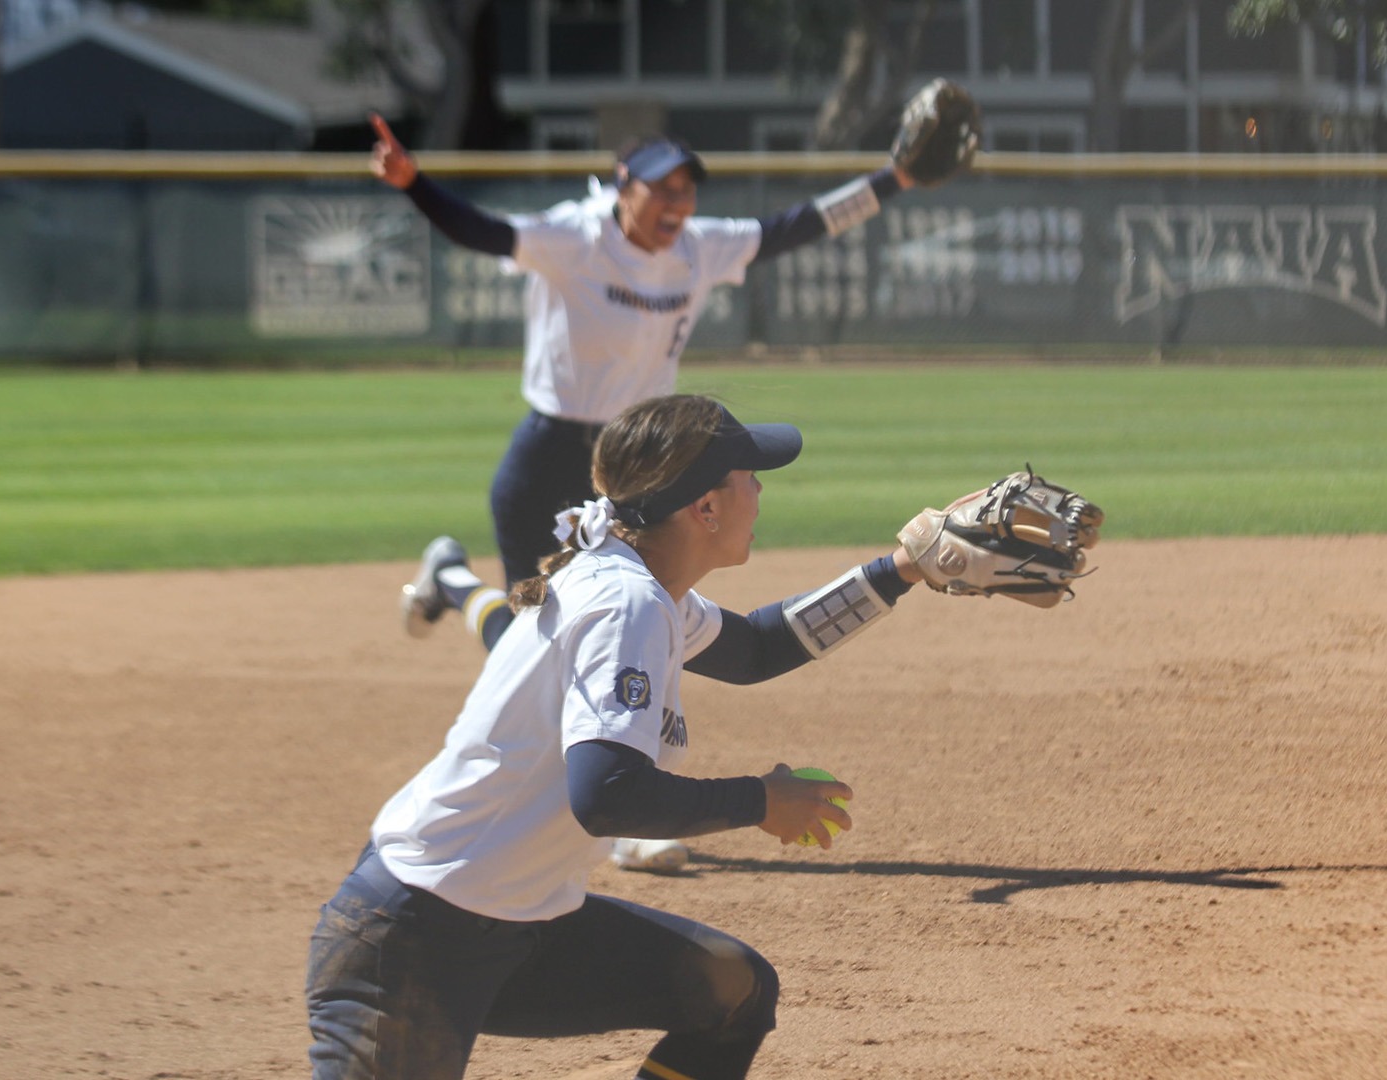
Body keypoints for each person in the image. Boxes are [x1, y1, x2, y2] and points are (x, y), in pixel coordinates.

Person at [306, 393, 933, 1080]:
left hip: (519, 927)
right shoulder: (625, 602)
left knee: (732, 990)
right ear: (706, 508)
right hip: (416, 938)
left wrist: (904, 569)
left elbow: (758, 647)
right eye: (748, 476)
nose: (759, 489)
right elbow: (607, 794)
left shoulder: (646, 587)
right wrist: (761, 801)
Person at [368, 112, 925, 605]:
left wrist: (894, 179)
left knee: (636, 600)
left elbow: (798, 226)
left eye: (686, 189)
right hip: (549, 456)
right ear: (623, 184)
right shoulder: (577, 237)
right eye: (662, 187)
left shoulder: (699, 247)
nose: (677, 202)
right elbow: (485, 233)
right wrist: (414, 184)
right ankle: (453, 581)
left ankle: (452, 583)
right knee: (530, 629)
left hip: (637, 457)